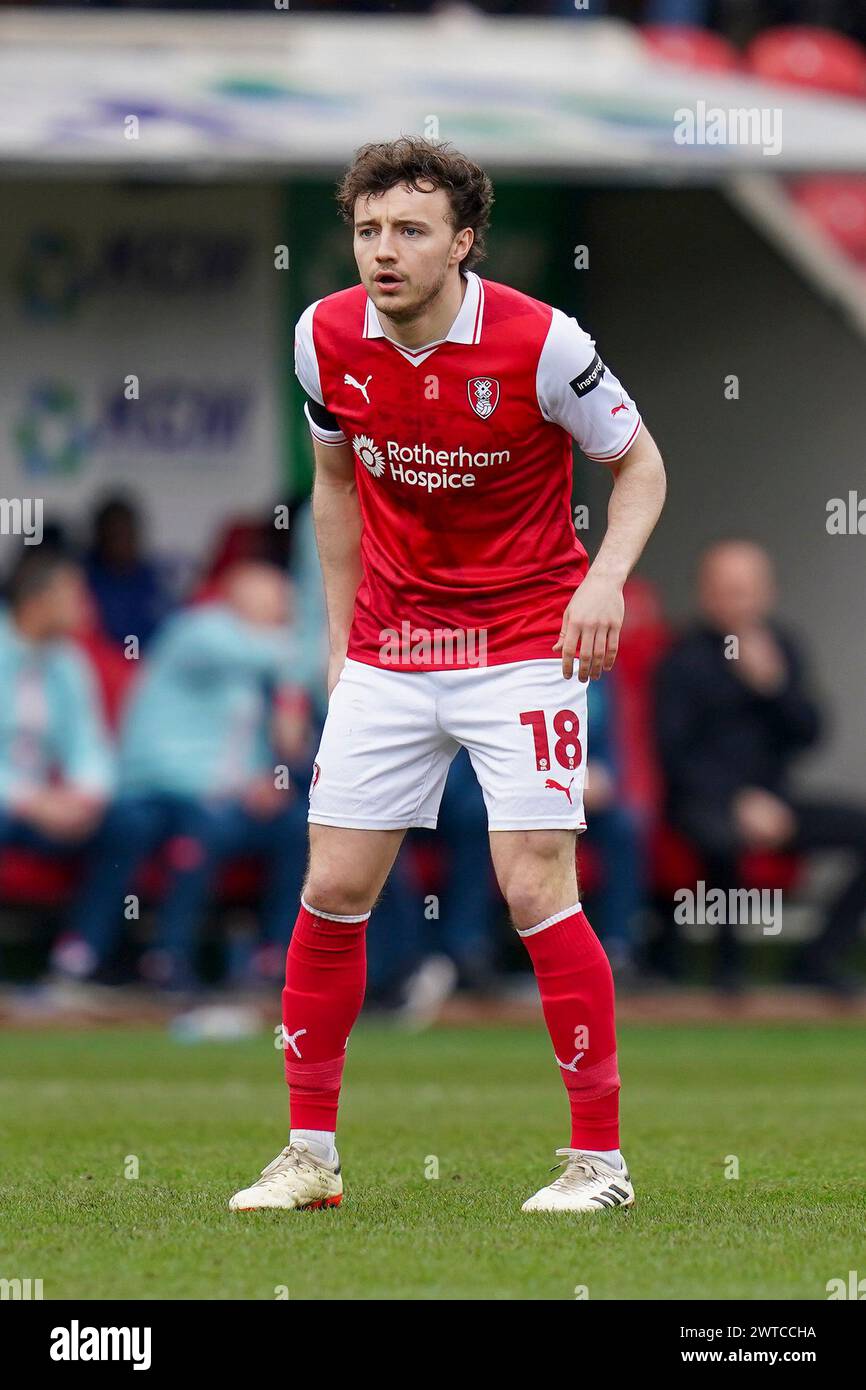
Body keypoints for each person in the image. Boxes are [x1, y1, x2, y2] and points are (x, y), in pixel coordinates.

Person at [229, 136, 666, 1216]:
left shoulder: (542, 344)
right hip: (391, 644)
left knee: (532, 885)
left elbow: (640, 466)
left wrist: (603, 579)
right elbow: (333, 484)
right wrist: (337, 641)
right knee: (331, 887)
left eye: (411, 230)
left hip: (524, 641)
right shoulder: (321, 335)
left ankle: (597, 1166)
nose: (383, 251)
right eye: (368, 230)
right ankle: (308, 1156)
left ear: (462, 241)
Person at [54, 563, 309, 992]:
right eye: (275, 601)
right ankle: (163, 958)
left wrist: (264, 778)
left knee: (299, 824)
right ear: (238, 596)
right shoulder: (201, 629)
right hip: (157, 785)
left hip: (213, 793)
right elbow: (295, 655)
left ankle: (274, 960)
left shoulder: (251, 674)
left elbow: (255, 747)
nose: (283, 611)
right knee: (203, 826)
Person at [656, 540, 866, 994]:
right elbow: (673, 753)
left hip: (775, 801)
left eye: (747, 589)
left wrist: (773, 686)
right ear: (705, 593)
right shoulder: (682, 659)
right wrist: (736, 800)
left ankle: (817, 959)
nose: (737, 601)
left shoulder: (782, 648)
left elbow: (810, 734)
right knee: (722, 835)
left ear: (767, 593)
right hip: (702, 804)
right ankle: (727, 970)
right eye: (726, 589)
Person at [0, 551, 114, 865]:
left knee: (128, 823)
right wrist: (30, 800)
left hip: (45, 804)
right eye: (75, 594)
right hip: (12, 800)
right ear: (37, 601)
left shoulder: (69, 660)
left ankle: (97, 917)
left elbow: (88, 742)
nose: (86, 605)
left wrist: (84, 795)